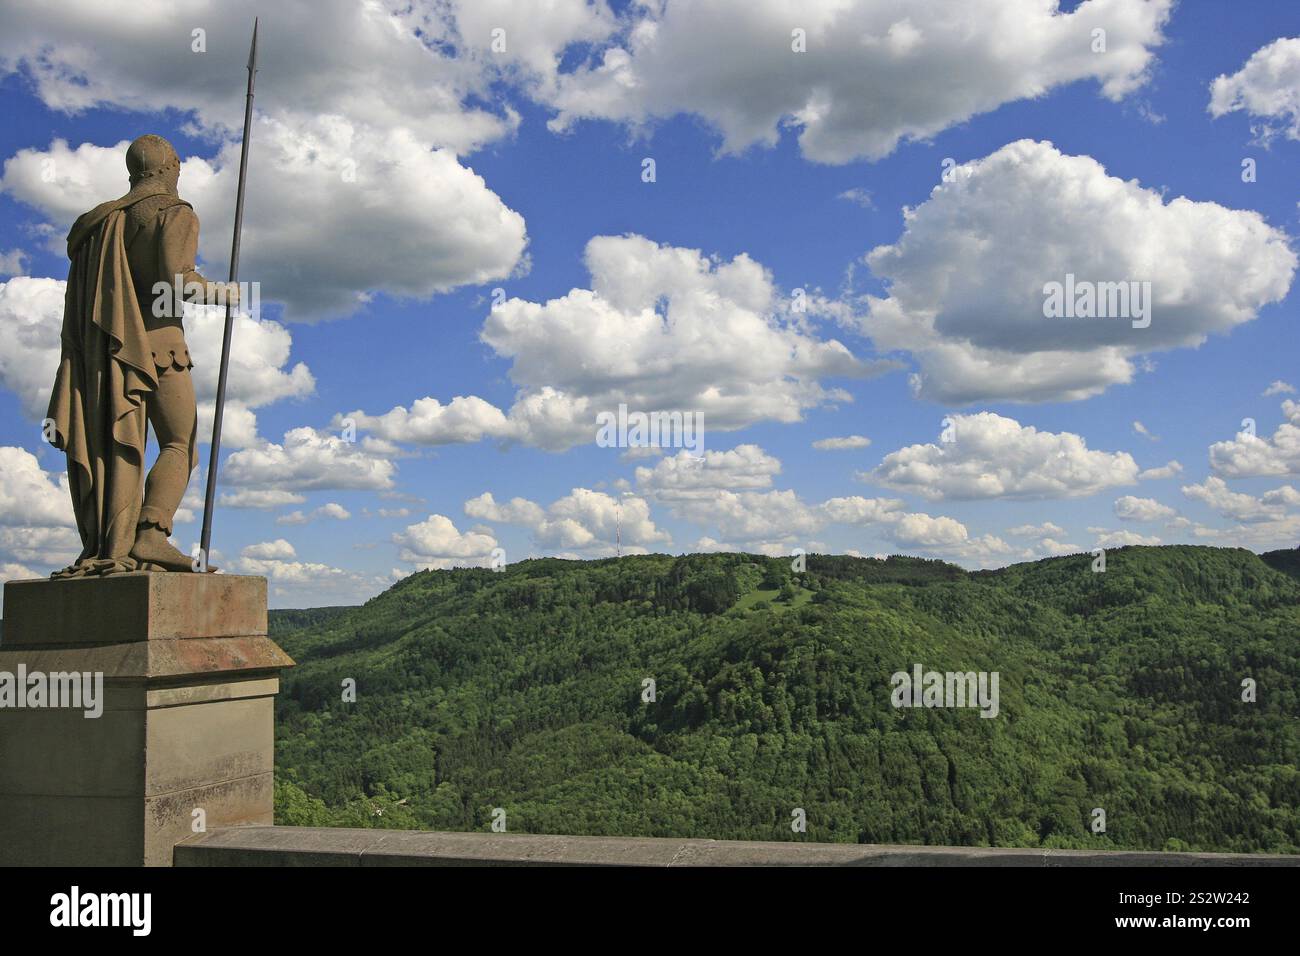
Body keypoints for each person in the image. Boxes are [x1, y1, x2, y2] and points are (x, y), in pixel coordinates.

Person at [46, 134, 236, 576]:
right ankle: (151, 534)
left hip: (105, 351)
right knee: (179, 442)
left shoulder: (97, 226)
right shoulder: (174, 212)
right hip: (160, 345)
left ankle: (111, 540)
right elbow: (177, 282)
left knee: (116, 445)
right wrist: (232, 294)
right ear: (171, 168)